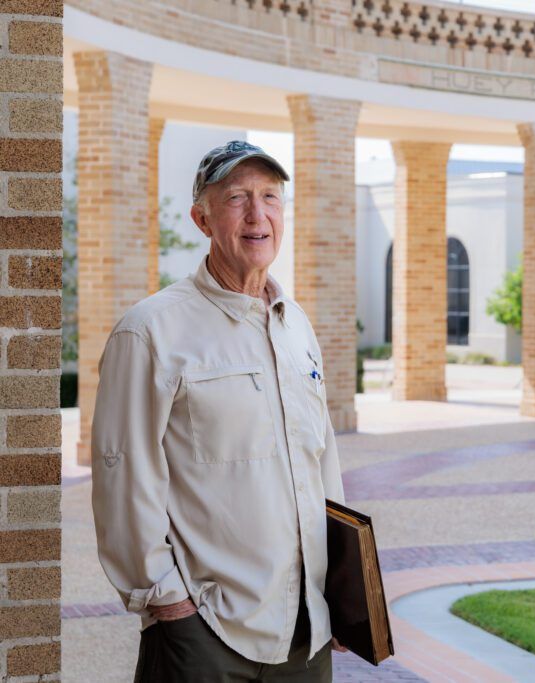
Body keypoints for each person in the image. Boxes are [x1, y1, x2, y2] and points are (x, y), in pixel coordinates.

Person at [91, 141, 345, 682]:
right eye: (237, 198)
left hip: (307, 634)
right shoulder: (151, 330)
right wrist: (169, 603)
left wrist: (342, 592)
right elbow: (123, 477)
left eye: (270, 197)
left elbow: (324, 465)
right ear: (202, 219)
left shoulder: (297, 326)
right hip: (205, 633)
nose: (258, 215)